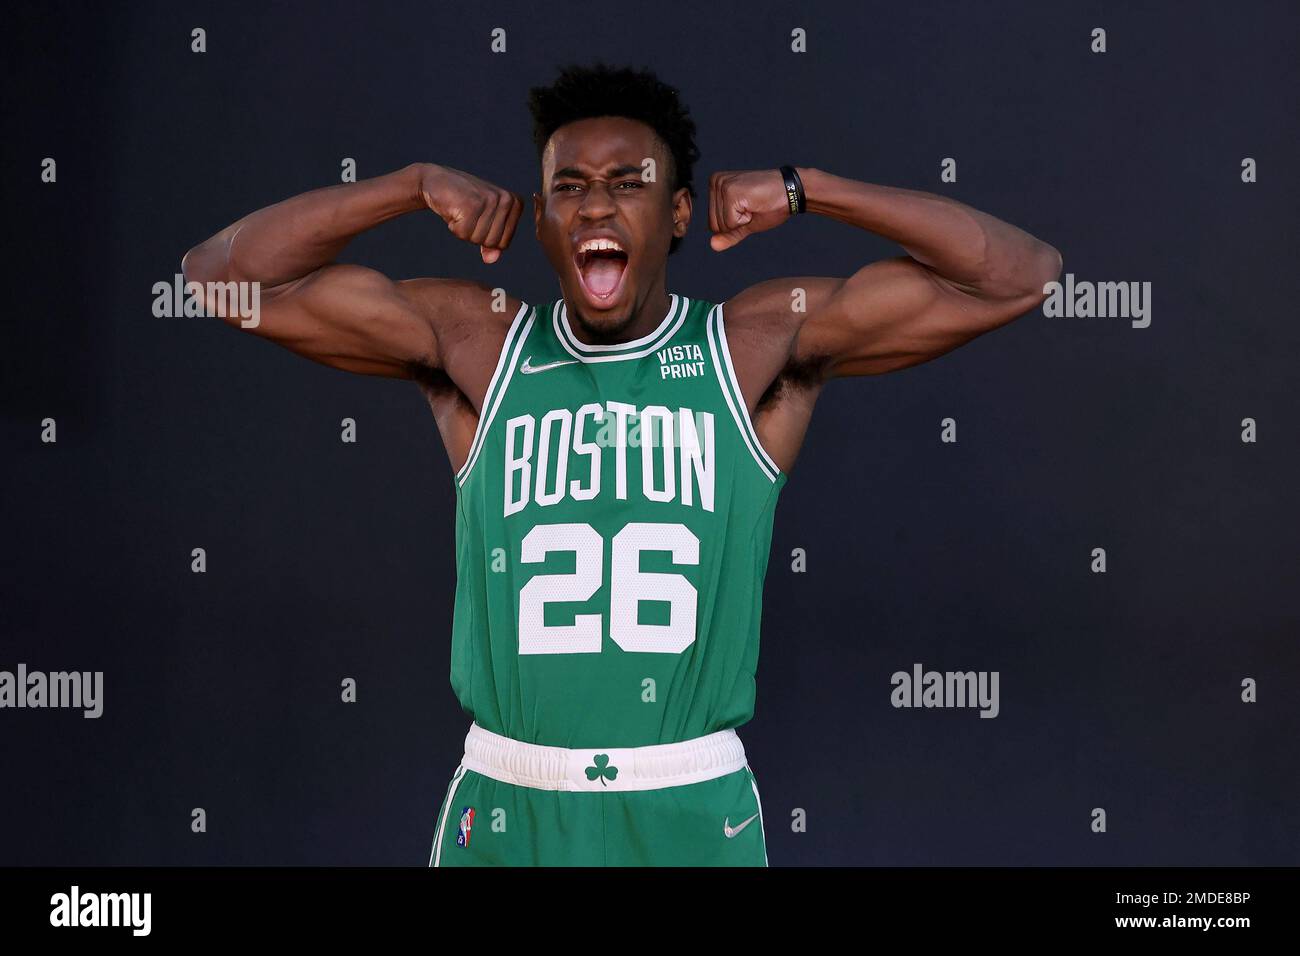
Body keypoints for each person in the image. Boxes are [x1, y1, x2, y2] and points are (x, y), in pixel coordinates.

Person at [181, 61, 1061, 866]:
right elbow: (220, 277)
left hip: (687, 803)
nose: (596, 207)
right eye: (569, 188)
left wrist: (806, 191)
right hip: (508, 799)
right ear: (542, 216)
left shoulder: (750, 347)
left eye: (627, 184)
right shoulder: (480, 344)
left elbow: (1020, 275)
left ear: (677, 213)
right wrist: (408, 189)